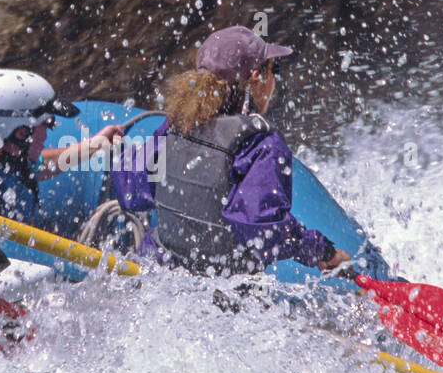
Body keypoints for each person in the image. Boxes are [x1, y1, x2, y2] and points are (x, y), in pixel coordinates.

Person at [113, 26, 352, 275]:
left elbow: (130, 189)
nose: (275, 81)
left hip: (156, 273)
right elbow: (264, 231)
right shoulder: (261, 147)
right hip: (221, 291)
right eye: (274, 70)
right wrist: (321, 251)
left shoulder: (175, 127)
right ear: (257, 79)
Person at [0, 69, 122, 225]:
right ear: (21, 132)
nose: (49, 131)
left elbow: (43, 165)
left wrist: (95, 145)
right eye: (48, 122)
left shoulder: (6, 163)